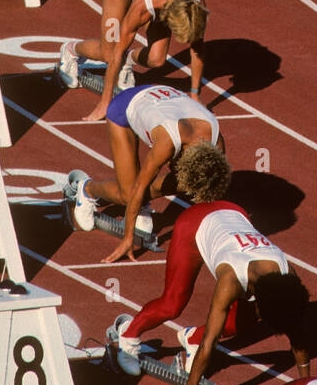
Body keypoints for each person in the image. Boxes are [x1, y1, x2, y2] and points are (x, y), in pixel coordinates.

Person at [109, 166, 311, 385]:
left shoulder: (287, 274)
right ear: (257, 296)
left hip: (232, 213)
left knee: (243, 323)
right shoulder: (230, 281)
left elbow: (298, 336)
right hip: (194, 226)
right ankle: (129, 332)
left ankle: (190, 337)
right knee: (172, 304)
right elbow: (210, 344)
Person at [73, 81, 227, 261]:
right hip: (124, 107)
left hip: (162, 98)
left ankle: (142, 205)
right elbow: (139, 187)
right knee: (128, 195)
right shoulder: (167, 143)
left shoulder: (217, 144)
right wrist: (127, 238)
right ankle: (87, 189)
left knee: (197, 182)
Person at [58, 0, 208, 123]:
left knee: (157, 60)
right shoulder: (142, 7)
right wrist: (104, 103)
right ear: (167, 17)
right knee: (109, 53)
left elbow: (198, 51)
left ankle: (127, 62)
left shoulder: (196, 7)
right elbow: (115, 55)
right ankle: (70, 49)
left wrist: (196, 95)